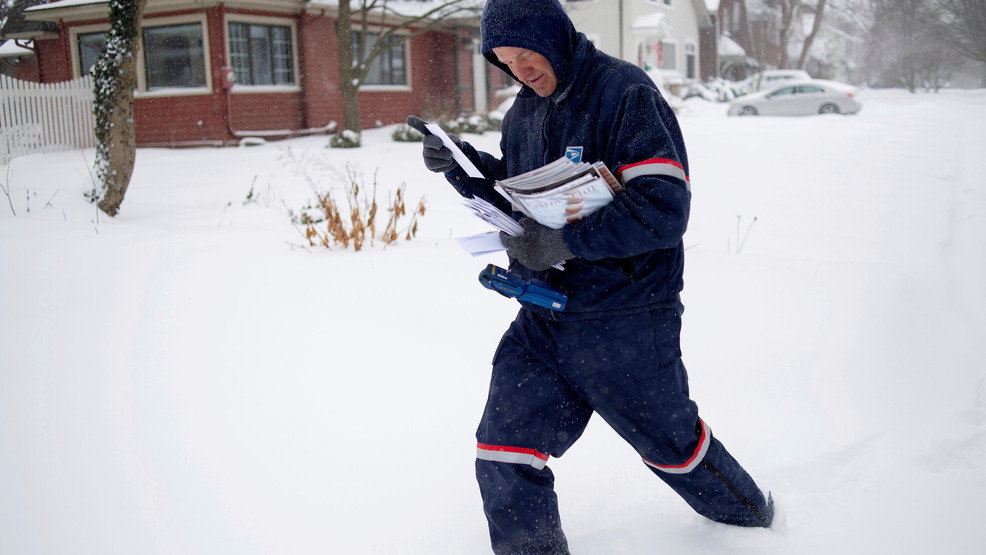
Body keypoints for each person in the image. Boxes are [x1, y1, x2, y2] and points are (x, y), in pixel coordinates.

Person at [407, 0, 773, 552]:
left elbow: (663, 207)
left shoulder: (624, 94)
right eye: (505, 62)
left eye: (526, 54)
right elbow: (522, 198)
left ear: (552, 36)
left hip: (625, 315)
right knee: (504, 451)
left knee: (673, 448)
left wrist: (563, 240)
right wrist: (465, 168)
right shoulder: (522, 114)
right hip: (544, 312)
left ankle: (757, 523)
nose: (520, 70)